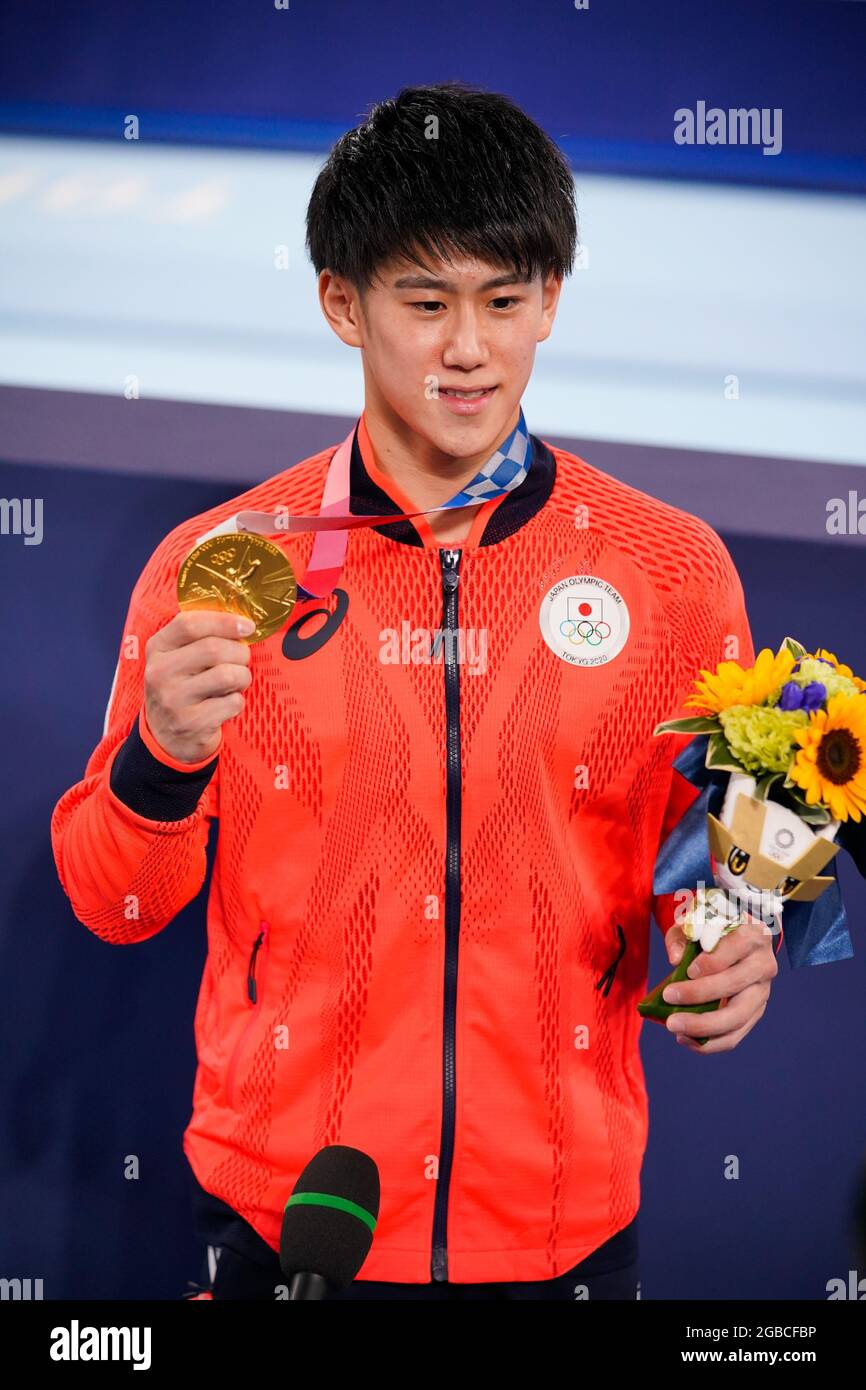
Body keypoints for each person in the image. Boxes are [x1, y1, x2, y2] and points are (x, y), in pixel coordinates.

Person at [50, 81, 779, 1301]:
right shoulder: (218, 569)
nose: (467, 348)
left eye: (504, 301)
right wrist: (161, 758)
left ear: (550, 298)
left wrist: (735, 944)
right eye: (425, 302)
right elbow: (114, 904)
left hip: (565, 1231)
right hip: (296, 1221)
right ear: (341, 303)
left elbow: (697, 872)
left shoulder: (671, 569)